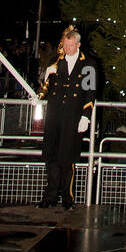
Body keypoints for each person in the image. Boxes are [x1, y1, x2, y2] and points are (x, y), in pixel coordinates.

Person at [39, 25, 94, 210]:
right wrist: (46, 77)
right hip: (54, 114)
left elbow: (90, 92)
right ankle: (50, 196)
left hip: (73, 116)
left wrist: (86, 116)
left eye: (71, 45)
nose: (67, 48)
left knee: (67, 158)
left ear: (78, 45)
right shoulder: (56, 61)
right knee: (51, 157)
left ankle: (67, 198)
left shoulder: (88, 64)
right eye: (65, 44)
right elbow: (45, 88)